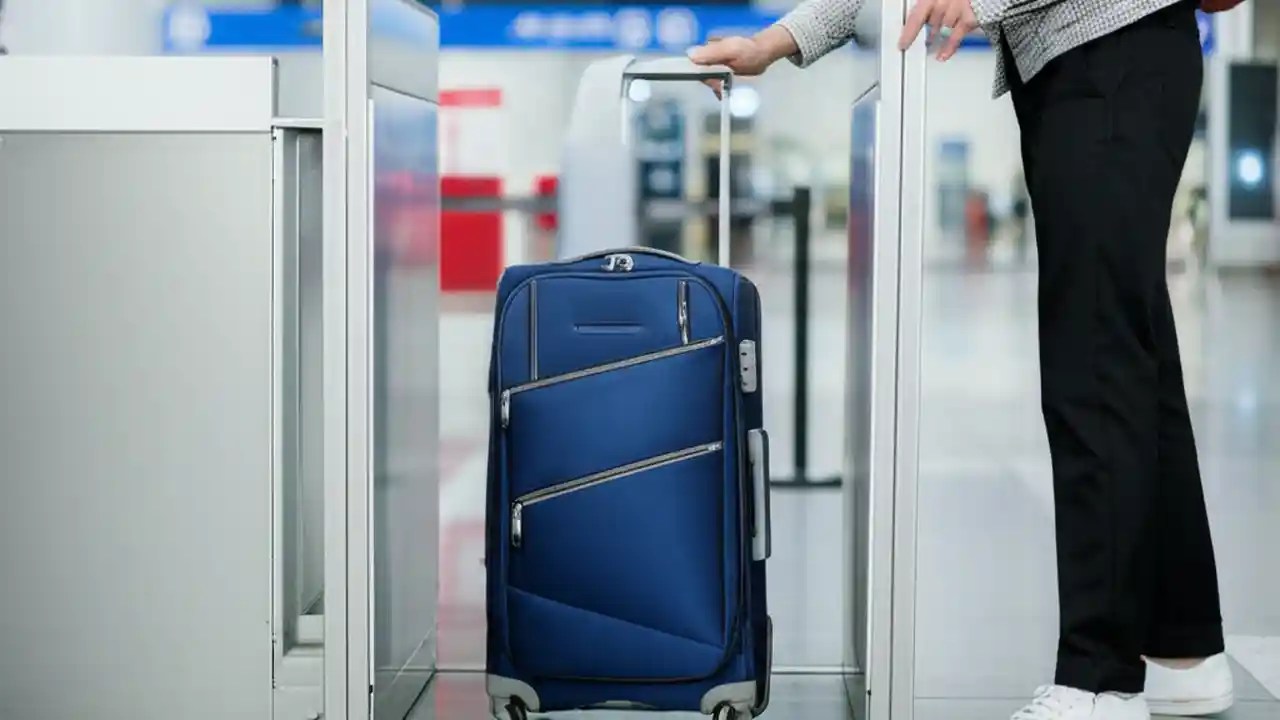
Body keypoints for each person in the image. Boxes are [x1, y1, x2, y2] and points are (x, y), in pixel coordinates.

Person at [689, 1, 1235, 719]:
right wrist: (777, 40)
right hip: (1084, 69)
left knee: (1095, 364)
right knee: (1134, 358)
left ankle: (1101, 679)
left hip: (1115, 53)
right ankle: (1184, 648)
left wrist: (979, 3)